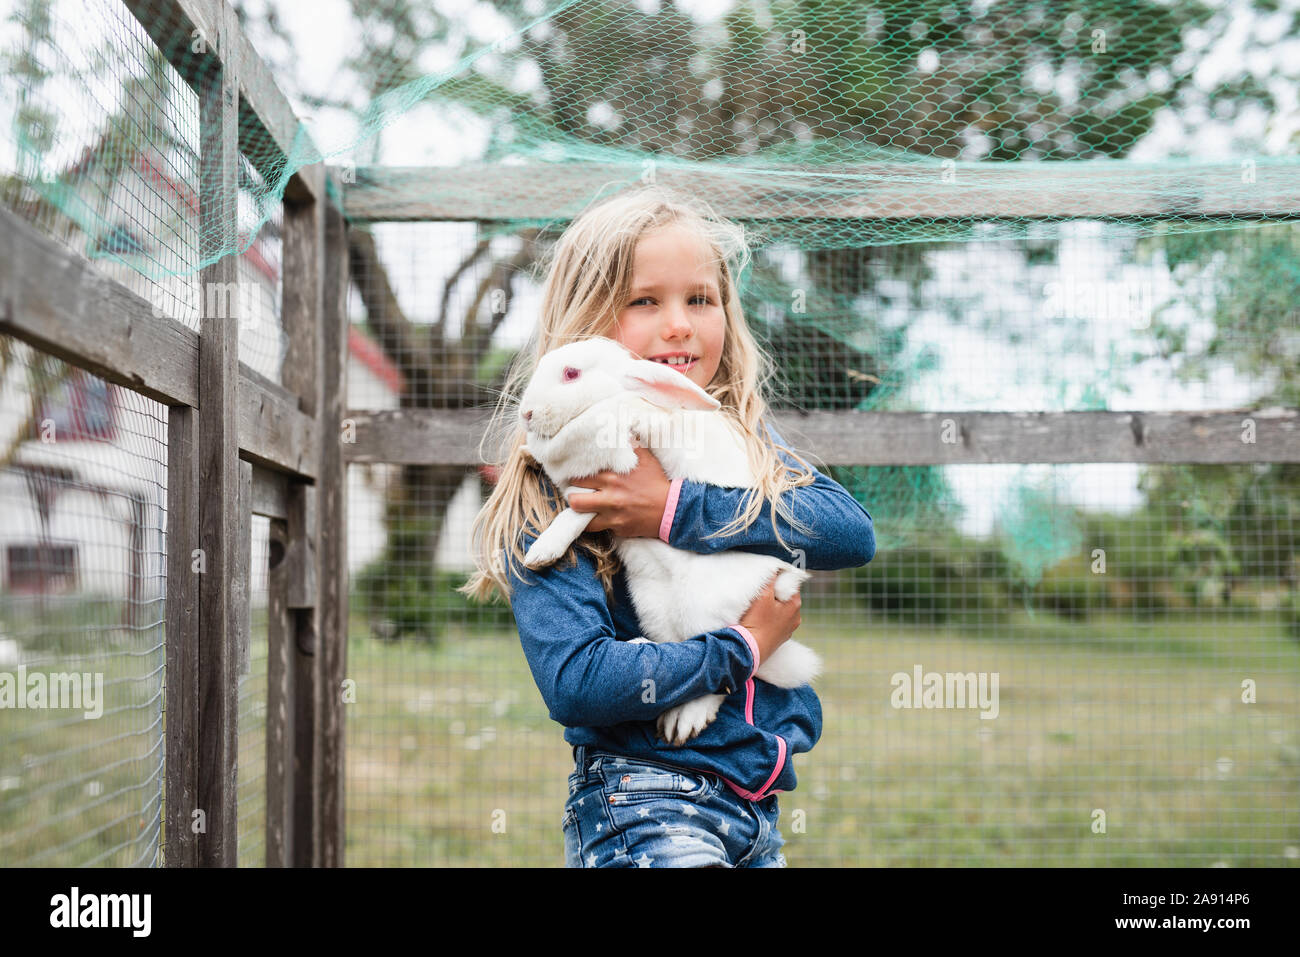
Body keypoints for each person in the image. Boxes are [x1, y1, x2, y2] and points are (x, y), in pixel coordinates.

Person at [460, 185, 876, 867]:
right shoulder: (547, 493)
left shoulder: (735, 437)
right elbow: (578, 679)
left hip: (754, 809)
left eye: (700, 299)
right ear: (587, 323)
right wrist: (738, 648)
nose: (679, 324)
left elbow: (847, 531)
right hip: (644, 800)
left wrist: (673, 509)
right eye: (645, 300)